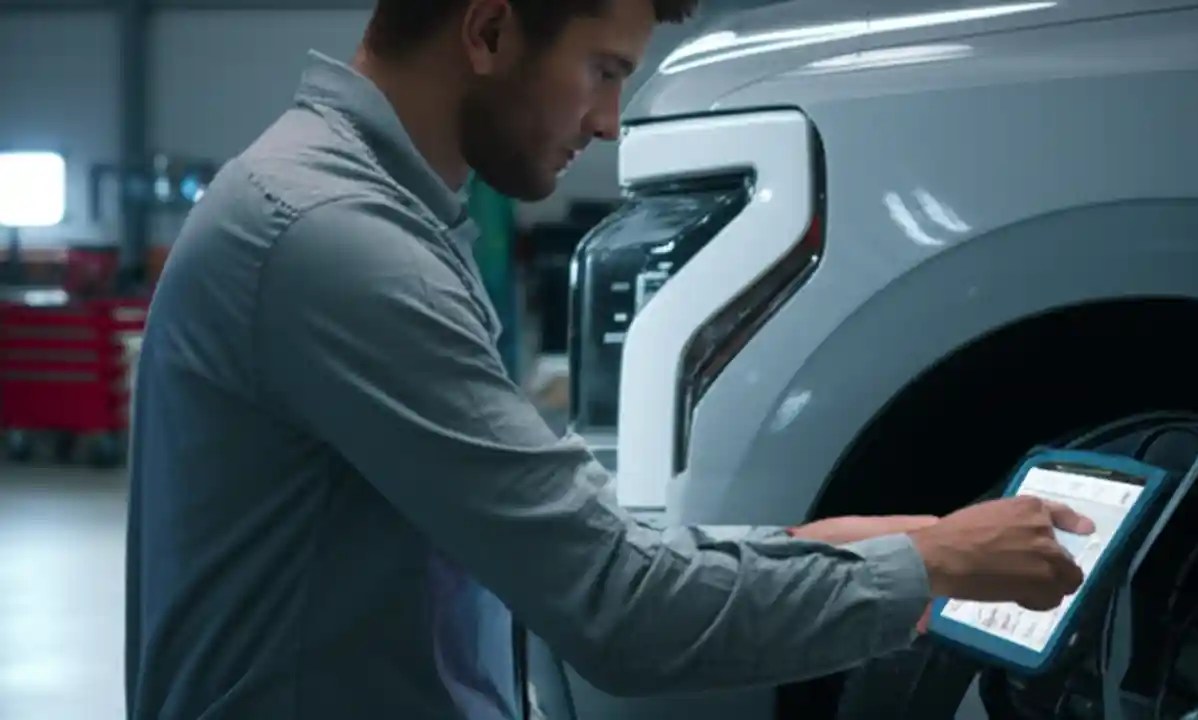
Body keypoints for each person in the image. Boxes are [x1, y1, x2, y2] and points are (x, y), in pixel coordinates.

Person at [123, 1, 1095, 718]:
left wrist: (839, 547)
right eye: (600, 68)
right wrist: (924, 567)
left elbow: (566, 547)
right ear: (488, 31)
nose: (608, 123)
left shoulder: (370, 215)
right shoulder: (334, 241)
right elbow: (617, 612)